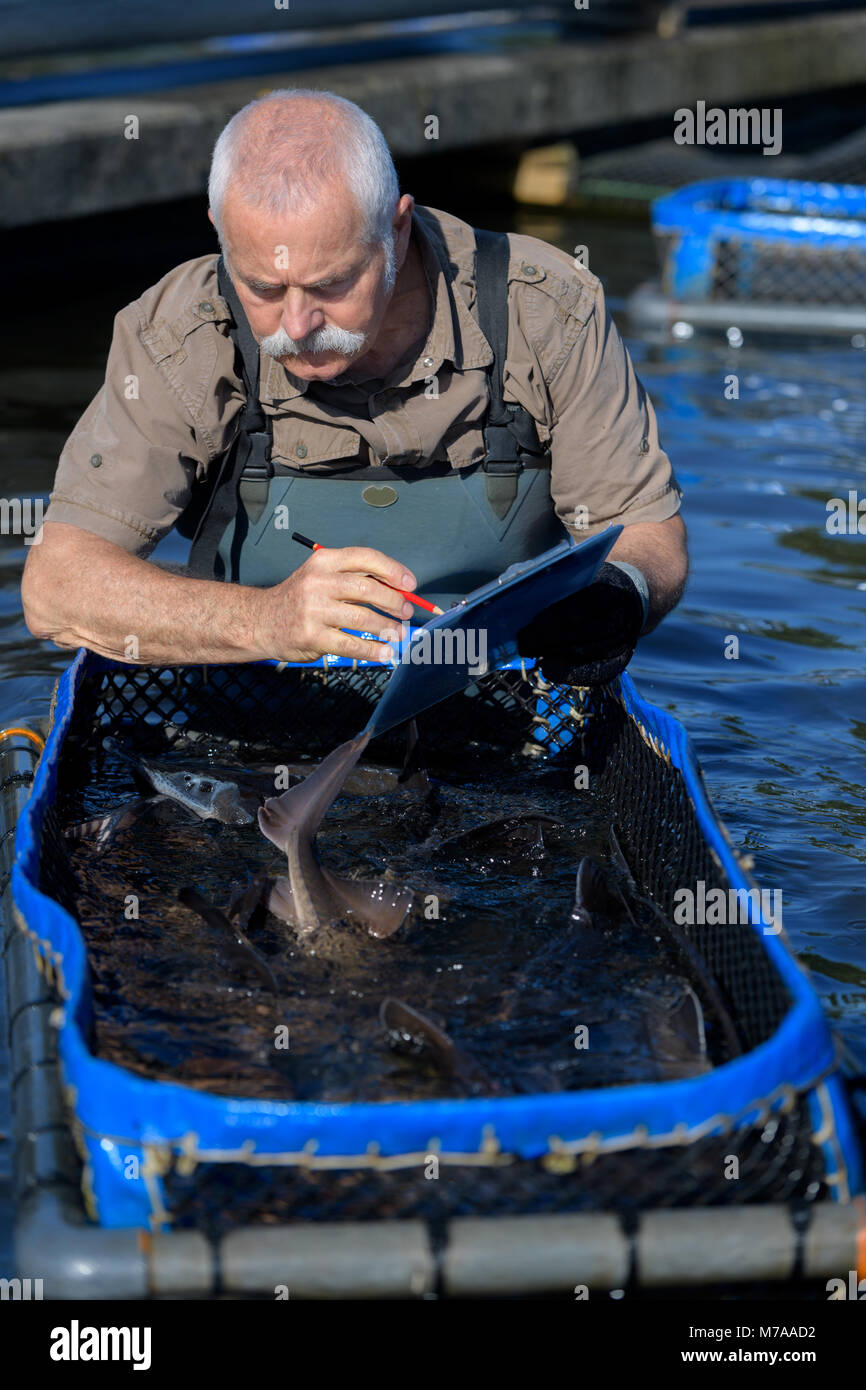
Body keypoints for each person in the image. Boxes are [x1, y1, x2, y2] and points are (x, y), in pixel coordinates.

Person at [23, 89, 687, 686]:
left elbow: (646, 531)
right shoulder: (178, 334)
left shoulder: (547, 310)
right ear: (220, 235)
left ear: (397, 230)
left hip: (502, 694)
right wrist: (269, 621)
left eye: (332, 284)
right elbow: (57, 586)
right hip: (249, 710)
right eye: (261, 287)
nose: (296, 326)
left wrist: (616, 592)